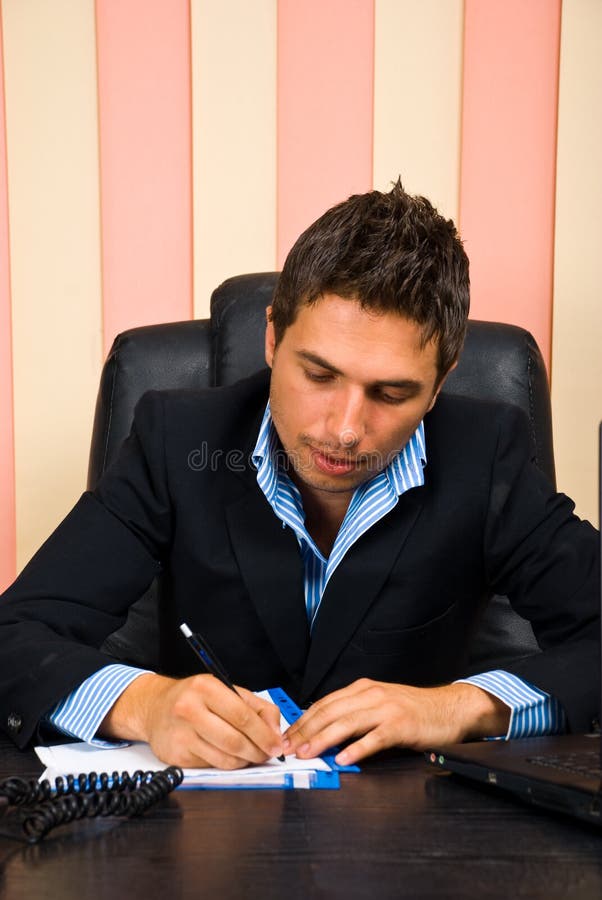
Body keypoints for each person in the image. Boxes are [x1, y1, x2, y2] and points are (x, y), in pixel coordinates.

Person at [0, 181, 598, 771]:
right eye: (318, 375)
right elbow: (14, 635)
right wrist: (146, 705)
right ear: (271, 338)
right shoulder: (175, 442)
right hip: (201, 838)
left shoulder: (485, 454)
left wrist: (467, 707)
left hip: (411, 838)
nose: (344, 428)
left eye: (391, 393)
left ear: (440, 382)